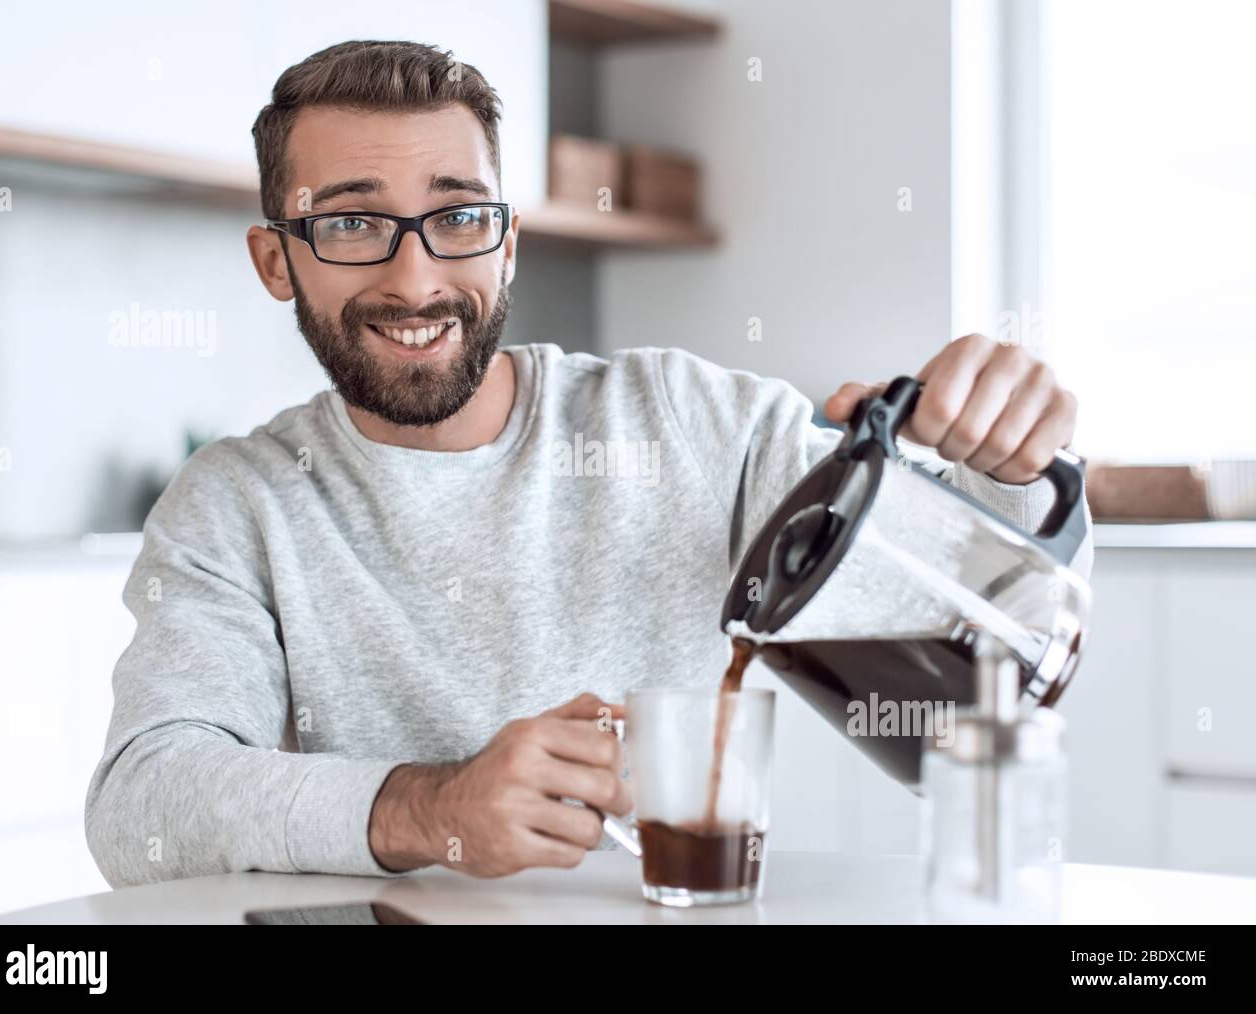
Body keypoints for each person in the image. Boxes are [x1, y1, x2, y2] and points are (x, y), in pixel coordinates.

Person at [85, 40, 1090, 888]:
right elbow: (142, 803)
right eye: (351, 222)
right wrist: (430, 804)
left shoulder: (693, 421)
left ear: (508, 243)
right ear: (276, 261)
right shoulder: (235, 505)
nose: (416, 275)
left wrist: (1002, 471)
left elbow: (987, 677)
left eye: (458, 214)